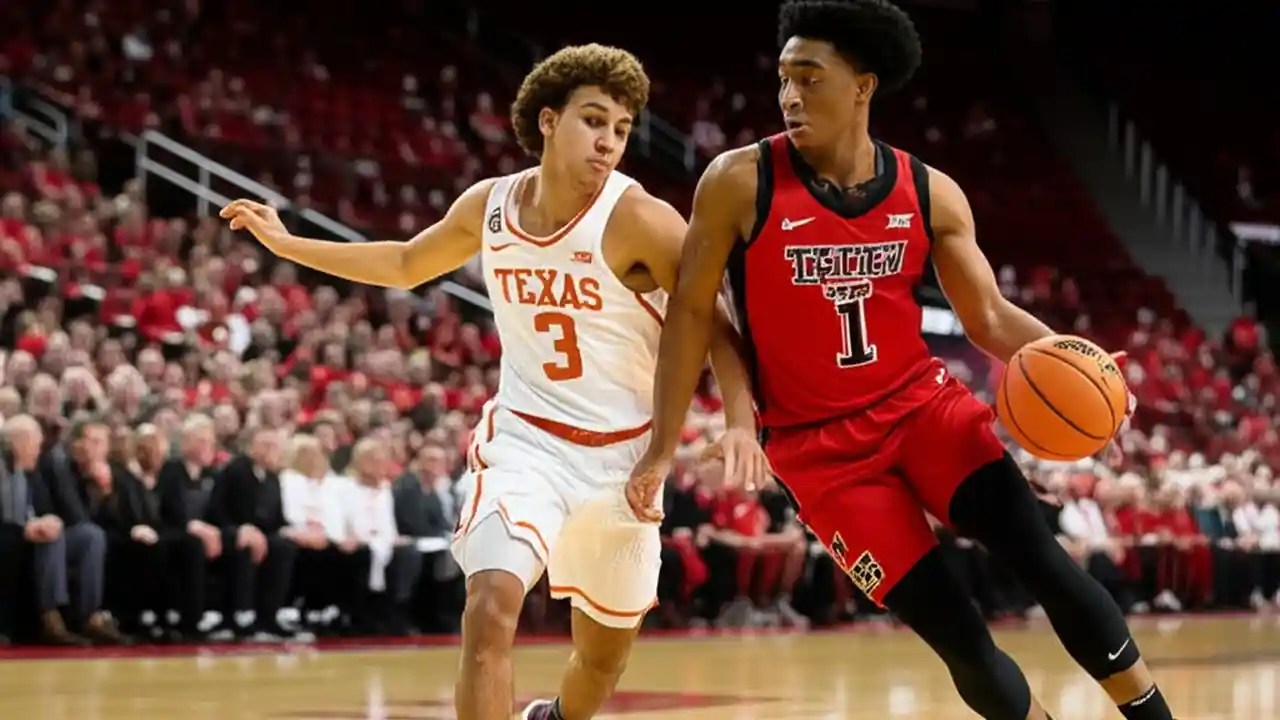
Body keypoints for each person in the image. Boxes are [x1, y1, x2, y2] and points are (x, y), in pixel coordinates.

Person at [625, 2, 1176, 719]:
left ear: (863, 85)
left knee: (1043, 560)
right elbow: (695, 316)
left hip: (924, 411)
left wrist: (1092, 366)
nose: (790, 96)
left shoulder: (928, 190)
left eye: (809, 78)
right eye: (784, 79)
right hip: (818, 453)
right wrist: (666, 448)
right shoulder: (739, 180)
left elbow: (989, 318)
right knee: (961, 637)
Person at [220, 44, 764, 720]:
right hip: (526, 443)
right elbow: (403, 261)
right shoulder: (492, 205)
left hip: (624, 461)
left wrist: (741, 420)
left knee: (601, 658)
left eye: (621, 130)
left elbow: (713, 321)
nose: (609, 143)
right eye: (593, 121)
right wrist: (289, 244)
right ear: (546, 121)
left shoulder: (639, 217)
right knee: (489, 608)